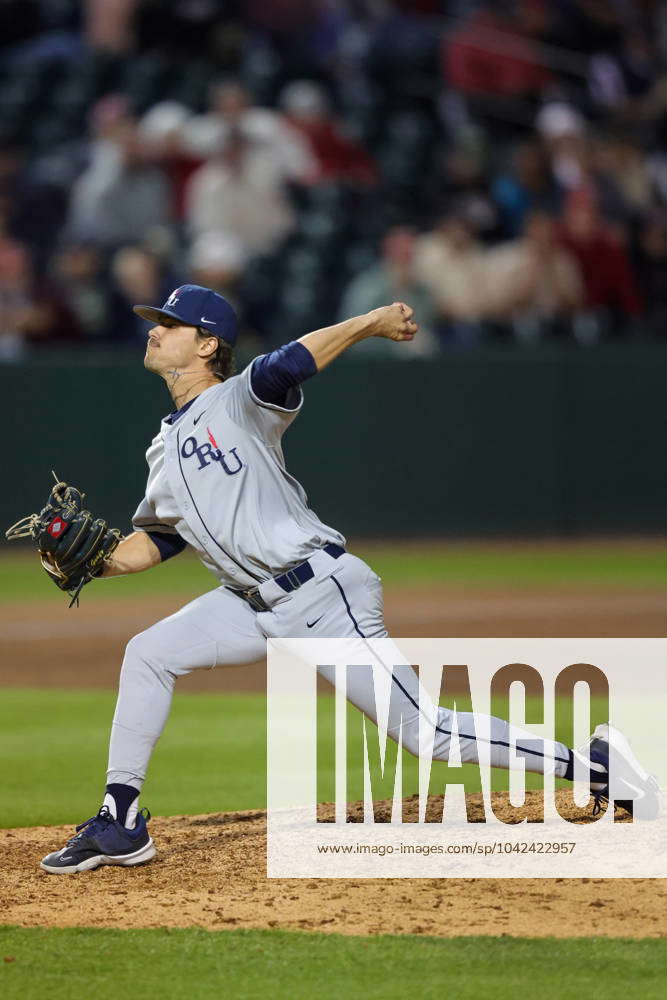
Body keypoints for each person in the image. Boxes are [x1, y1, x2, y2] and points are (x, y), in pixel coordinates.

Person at [39, 284, 657, 872]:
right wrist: (91, 559)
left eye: (170, 325)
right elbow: (160, 540)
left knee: (426, 734)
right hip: (247, 604)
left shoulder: (238, 401)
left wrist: (369, 322)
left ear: (206, 344)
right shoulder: (164, 446)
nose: (154, 331)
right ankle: (121, 819)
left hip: (320, 592)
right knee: (148, 654)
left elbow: (288, 363)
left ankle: (599, 766)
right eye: (156, 323)